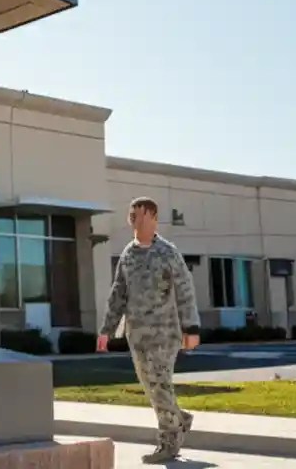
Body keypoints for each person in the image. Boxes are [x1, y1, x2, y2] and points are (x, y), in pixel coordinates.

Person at [97, 196, 201, 464]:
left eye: (140, 215)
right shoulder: (128, 254)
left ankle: (169, 442)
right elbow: (118, 294)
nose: (135, 220)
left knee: (159, 383)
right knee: (151, 386)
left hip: (164, 333)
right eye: (131, 215)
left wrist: (191, 328)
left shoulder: (168, 253)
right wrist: (107, 330)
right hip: (137, 334)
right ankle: (180, 419)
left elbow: (185, 290)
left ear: (154, 218)